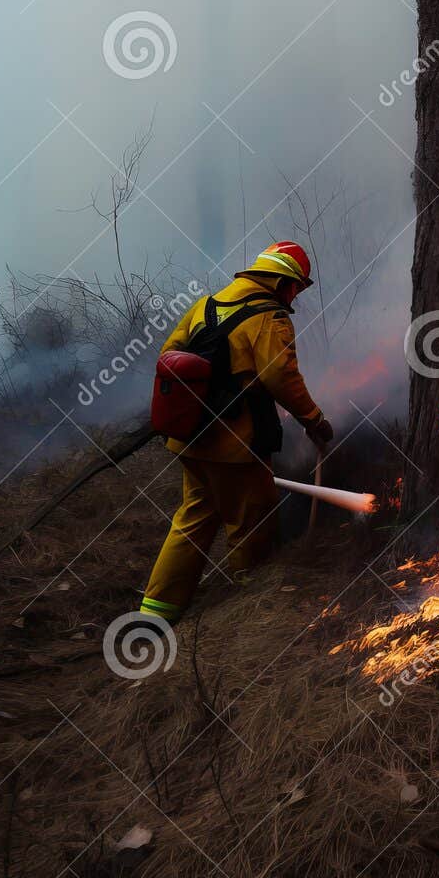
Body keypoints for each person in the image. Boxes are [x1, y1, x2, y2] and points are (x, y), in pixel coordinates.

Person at [139, 242, 333, 622]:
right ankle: (255, 609)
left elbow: (169, 355)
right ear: (280, 282)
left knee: (194, 517)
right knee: (252, 519)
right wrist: (313, 418)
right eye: (295, 286)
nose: (296, 295)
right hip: (235, 446)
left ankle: (155, 613)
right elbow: (280, 375)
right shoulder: (269, 317)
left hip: (192, 439)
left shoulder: (205, 306)